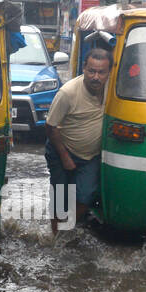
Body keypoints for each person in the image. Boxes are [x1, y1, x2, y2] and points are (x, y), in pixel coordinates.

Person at [45, 48, 111, 234]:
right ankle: (55, 238)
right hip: (62, 150)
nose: (95, 77)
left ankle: (68, 227)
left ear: (109, 73)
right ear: (84, 68)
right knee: (60, 196)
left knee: (85, 195)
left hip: (90, 156)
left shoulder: (113, 90)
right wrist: (65, 157)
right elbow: (50, 127)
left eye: (101, 72)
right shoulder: (67, 93)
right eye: (91, 71)